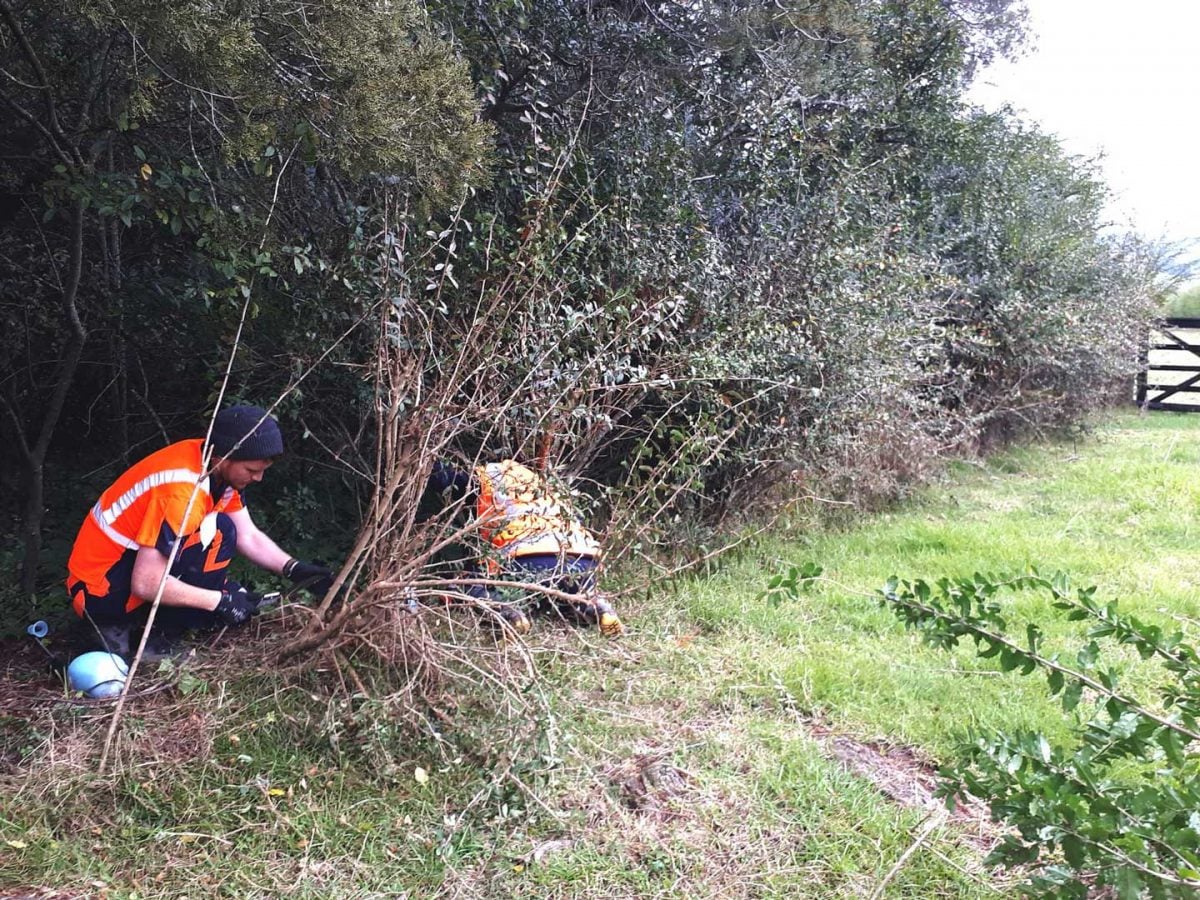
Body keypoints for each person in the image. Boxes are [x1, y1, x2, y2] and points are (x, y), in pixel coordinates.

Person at [65, 405, 334, 659]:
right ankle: (149, 639)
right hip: (100, 590)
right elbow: (146, 583)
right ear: (223, 457)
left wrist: (294, 569)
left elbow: (247, 535)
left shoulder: (213, 469)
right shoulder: (182, 492)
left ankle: (158, 623)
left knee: (223, 530)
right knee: (218, 538)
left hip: (125, 568)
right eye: (252, 470)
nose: (258, 478)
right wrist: (219, 601)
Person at [425, 458, 623, 636]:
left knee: (464, 585)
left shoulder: (484, 480)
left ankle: (508, 614)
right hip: (583, 561)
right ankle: (597, 606)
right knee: (569, 597)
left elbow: (441, 477)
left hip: (527, 558)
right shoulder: (547, 489)